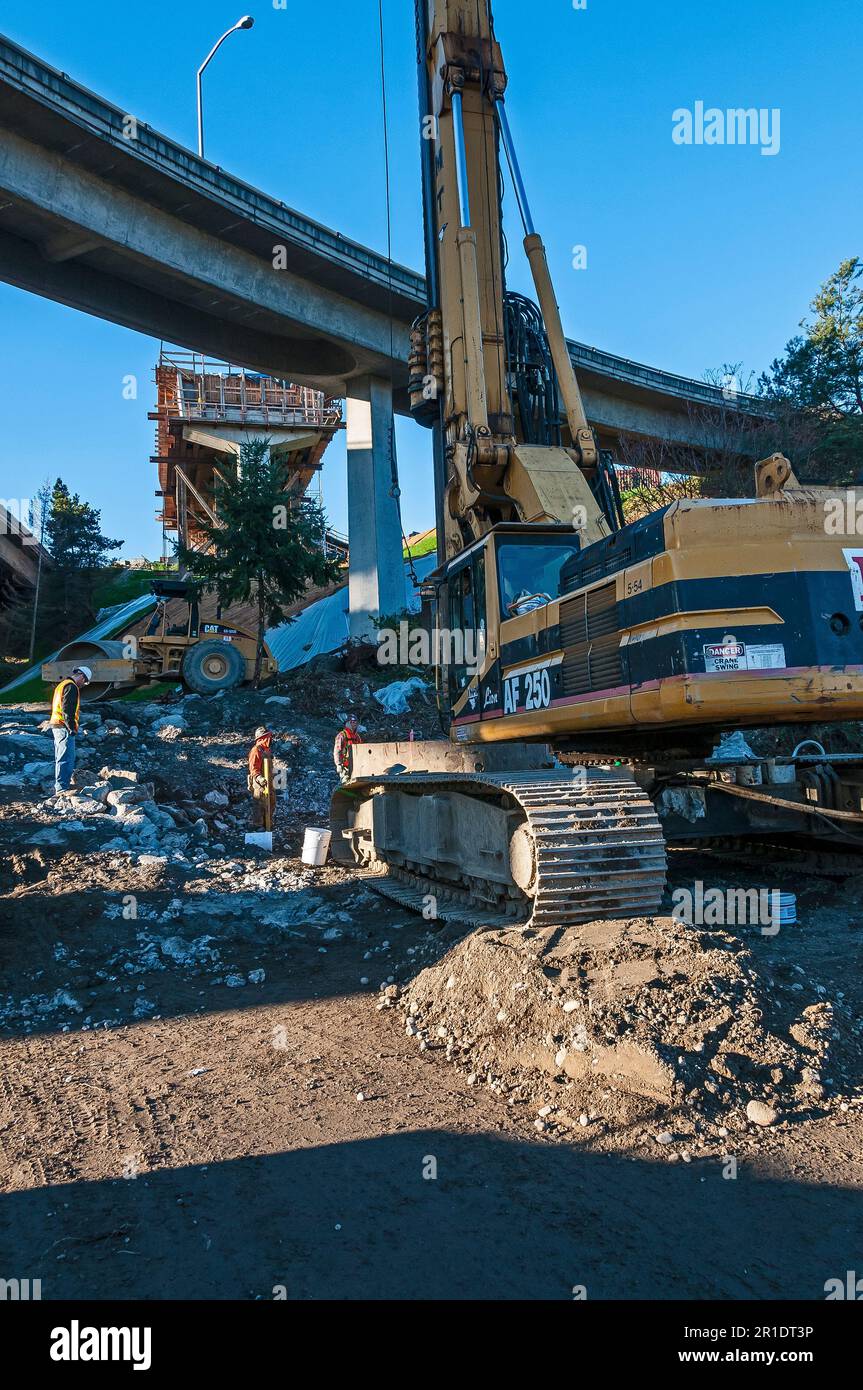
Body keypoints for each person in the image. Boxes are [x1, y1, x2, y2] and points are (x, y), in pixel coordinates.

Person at [49, 666, 92, 795]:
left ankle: (60, 785)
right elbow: (67, 709)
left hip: (56, 724)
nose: (82, 685)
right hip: (63, 726)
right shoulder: (71, 686)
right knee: (66, 757)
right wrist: (71, 727)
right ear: (82, 677)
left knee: (61, 756)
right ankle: (62, 788)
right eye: (84, 682)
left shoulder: (62, 684)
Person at [248, 725, 276, 830]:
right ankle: (258, 826)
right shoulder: (256, 751)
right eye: (267, 737)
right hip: (259, 783)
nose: (270, 739)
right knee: (259, 804)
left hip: (269, 781)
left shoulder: (267, 751)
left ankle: (267, 823)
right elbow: (253, 768)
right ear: (261, 738)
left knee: (271, 802)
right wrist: (259, 778)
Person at [333, 713, 361, 785]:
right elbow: (337, 750)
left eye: (355, 722)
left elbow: (361, 750)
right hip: (346, 767)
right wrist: (338, 764)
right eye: (352, 722)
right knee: (346, 785)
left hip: (357, 766)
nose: (354, 724)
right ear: (348, 723)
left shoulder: (357, 737)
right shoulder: (342, 735)